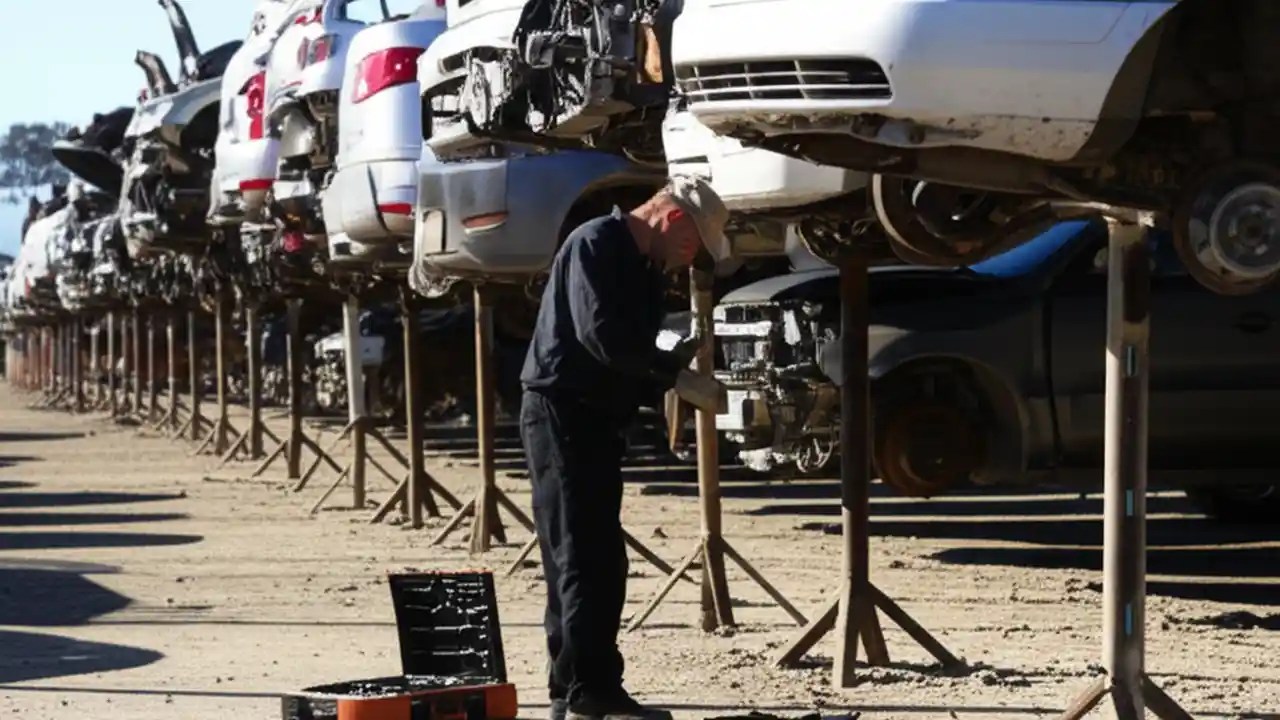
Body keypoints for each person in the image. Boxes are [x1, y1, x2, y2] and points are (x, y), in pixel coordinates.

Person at [520, 176, 731, 720]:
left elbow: (627, 348)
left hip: (590, 418)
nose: (690, 260)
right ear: (673, 219)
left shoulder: (639, 267)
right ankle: (589, 690)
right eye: (693, 246)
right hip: (562, 412)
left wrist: (670, 363)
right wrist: (671, 375)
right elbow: (603, 338)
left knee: (589, 554)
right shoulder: (596, 243)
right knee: (582, 555)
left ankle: (573, 686)